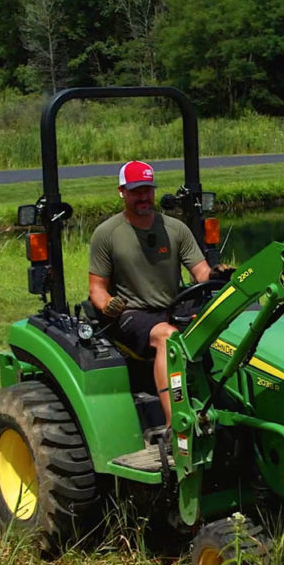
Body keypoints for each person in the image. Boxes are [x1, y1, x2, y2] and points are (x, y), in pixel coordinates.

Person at [88, 160, 212, 428]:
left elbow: (201, 271)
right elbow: (97, 288)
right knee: (168, 338)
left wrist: (217, 276)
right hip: (131, 314)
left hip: (171, 306)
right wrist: (108, 304)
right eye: (136, 191)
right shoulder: (107, 234)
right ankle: (175, 425)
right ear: (122, 191)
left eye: (147, 189)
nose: (143, 197)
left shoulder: (175, 229)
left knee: (220, 327)